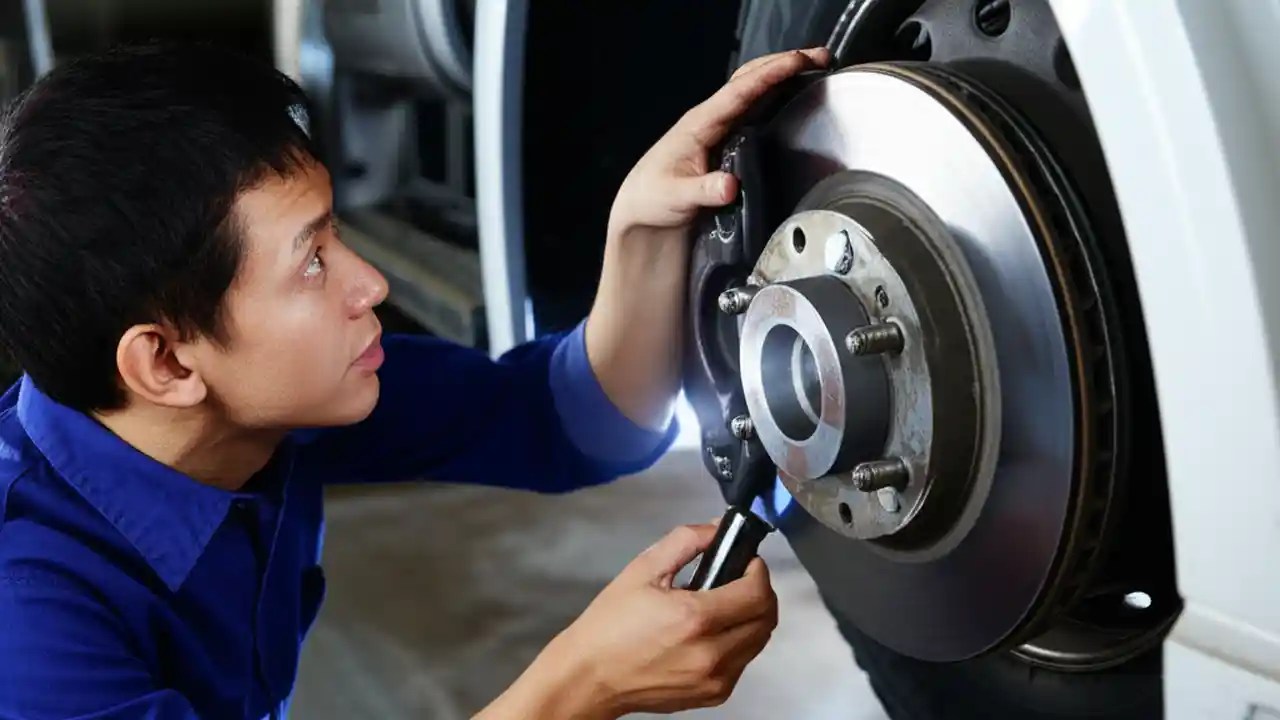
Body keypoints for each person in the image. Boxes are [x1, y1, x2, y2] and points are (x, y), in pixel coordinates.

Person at [0, 41, 828, 719]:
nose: (372, 286)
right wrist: (582, 684)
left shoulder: (269, 406)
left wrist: (640, 227)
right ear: (169, 362)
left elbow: (561, 420)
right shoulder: (27, 623)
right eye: (313, 261)